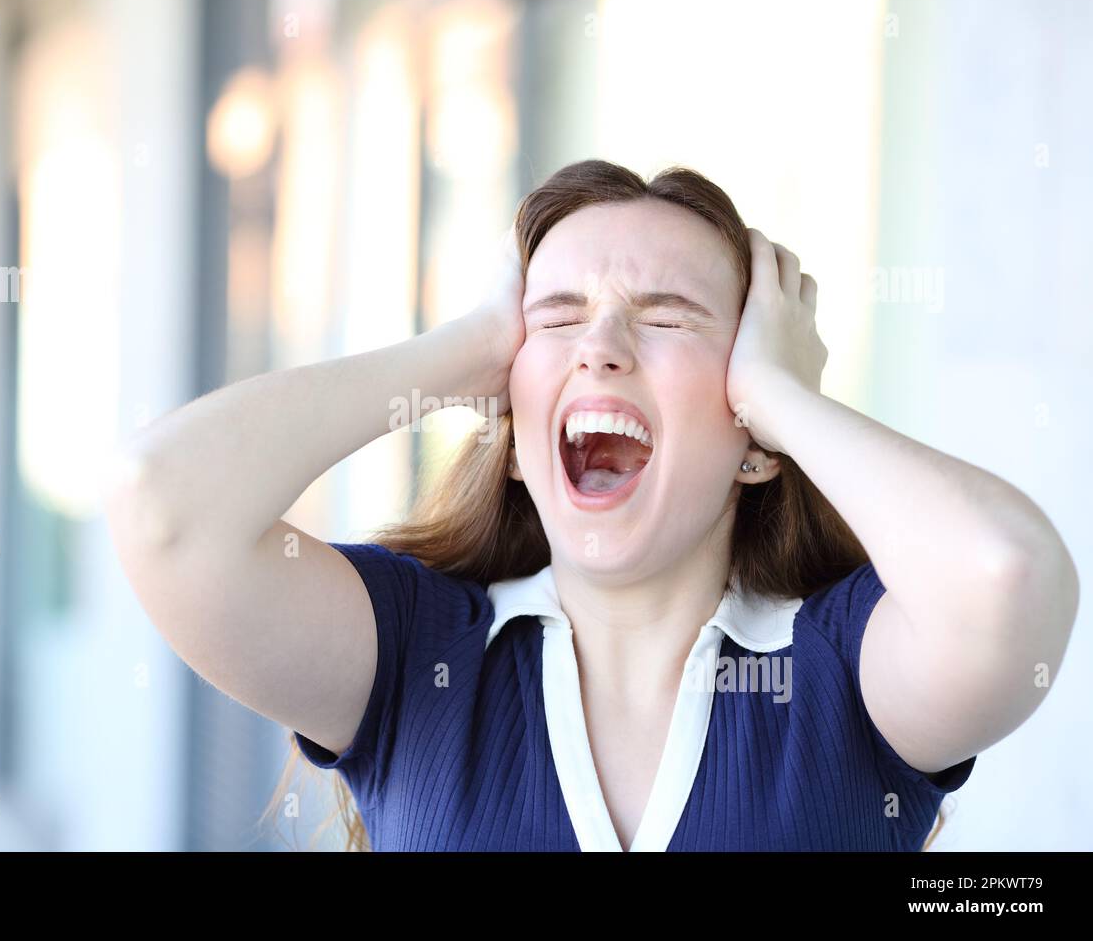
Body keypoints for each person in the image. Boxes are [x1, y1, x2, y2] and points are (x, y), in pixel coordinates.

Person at [104, 159, 1079, 852]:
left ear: (750, 441)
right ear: (520, 437)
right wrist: (467, 349)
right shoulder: (416, 657)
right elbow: (163, 504)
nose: (599, 344)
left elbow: (1009, 576)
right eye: (556, 316)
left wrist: (789, 402)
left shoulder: (845, 674)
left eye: (666, 317)